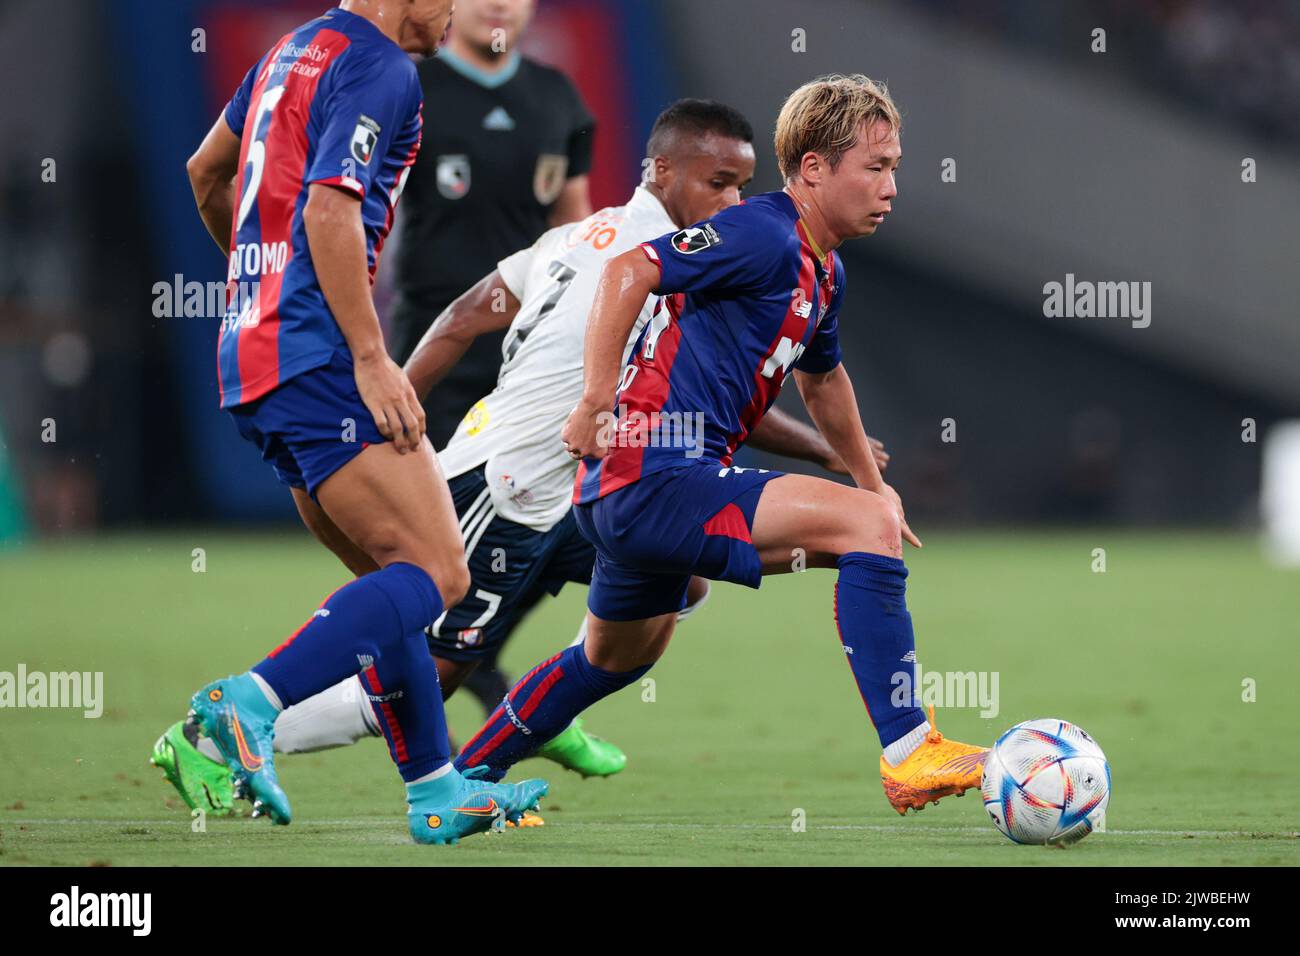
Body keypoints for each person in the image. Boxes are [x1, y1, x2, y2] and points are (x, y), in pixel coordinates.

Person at [153, 98, 890, 822]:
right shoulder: (654, 267)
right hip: (509, 484)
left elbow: (464, 316)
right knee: (424, 680)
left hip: (577, 486)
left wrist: (404, 394)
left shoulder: (580, 236)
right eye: (720, 183)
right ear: (661, 171)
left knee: (681, 585)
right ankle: (218, 735)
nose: (736, 200)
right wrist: (396, 422)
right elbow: (701, 387)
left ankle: (551, 703)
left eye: (741, 184)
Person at [452, 74, 989, 816]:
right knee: (861, 531)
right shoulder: (764, 231)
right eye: (876, 166)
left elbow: (824, 381)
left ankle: (456, 783)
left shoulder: (822, 268)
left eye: (893, 166)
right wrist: (597, 400)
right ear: (812, 170)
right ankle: (909, 750)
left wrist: (875, 483)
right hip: (651, 474)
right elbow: (630, 268)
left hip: (638, 492)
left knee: (611, 659)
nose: (891, 185)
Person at [177, 0, 545, 845]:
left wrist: (256, 283)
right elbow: (329, 210)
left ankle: (436, 788)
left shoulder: (292, 51)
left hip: (253, 358)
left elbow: (205, 171)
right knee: (442, 576)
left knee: (395, 587)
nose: (454, 10)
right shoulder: (383, 66)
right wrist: (372, 357)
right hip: (317, 359)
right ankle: (251, 703)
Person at [389, 0, 597, 715]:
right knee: (432, 546)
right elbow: (361, 214)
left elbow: (578, 232)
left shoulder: (556, 97)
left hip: (533, 363)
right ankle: (441, 687)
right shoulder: (409, 90)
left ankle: (481, 664)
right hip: (435, 348)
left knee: (547, 535)